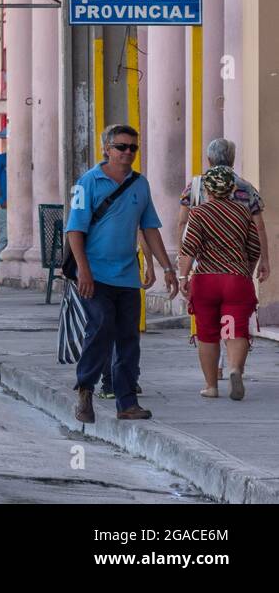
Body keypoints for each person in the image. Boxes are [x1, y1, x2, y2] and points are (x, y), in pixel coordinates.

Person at [67, 125, 175, 423]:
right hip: (94, 274)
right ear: (106, 149)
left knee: (129, 338)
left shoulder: (140, 185)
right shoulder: (88, 182)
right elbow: (74, 230)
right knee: (101, 325)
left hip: (126, 275)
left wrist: (166, 267)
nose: (127, 153)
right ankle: (85, 390)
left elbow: (149, 227)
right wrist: (83, 271)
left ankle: (126, 402)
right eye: (121, 147)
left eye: (132, 148)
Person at [176, 165, 268, 400]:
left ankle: (211, 386)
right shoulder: (243, 212)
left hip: (206, 281)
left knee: (207, 333)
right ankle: (235, 369)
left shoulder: (199, 213)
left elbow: (189, 248)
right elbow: (254, 245)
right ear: (231, 188)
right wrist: (246, 270)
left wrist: (183, 277)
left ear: (207, 189)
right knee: (233, 327)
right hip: (235, 280)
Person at [176, 138, 269, 283]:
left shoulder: (194, 186)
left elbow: (182, 223)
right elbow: (259, 228)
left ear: (209, 160)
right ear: (232, 160)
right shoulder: (246, 187)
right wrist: (264, 260)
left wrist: (182, 261)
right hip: (237, 267)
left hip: (202, 267)